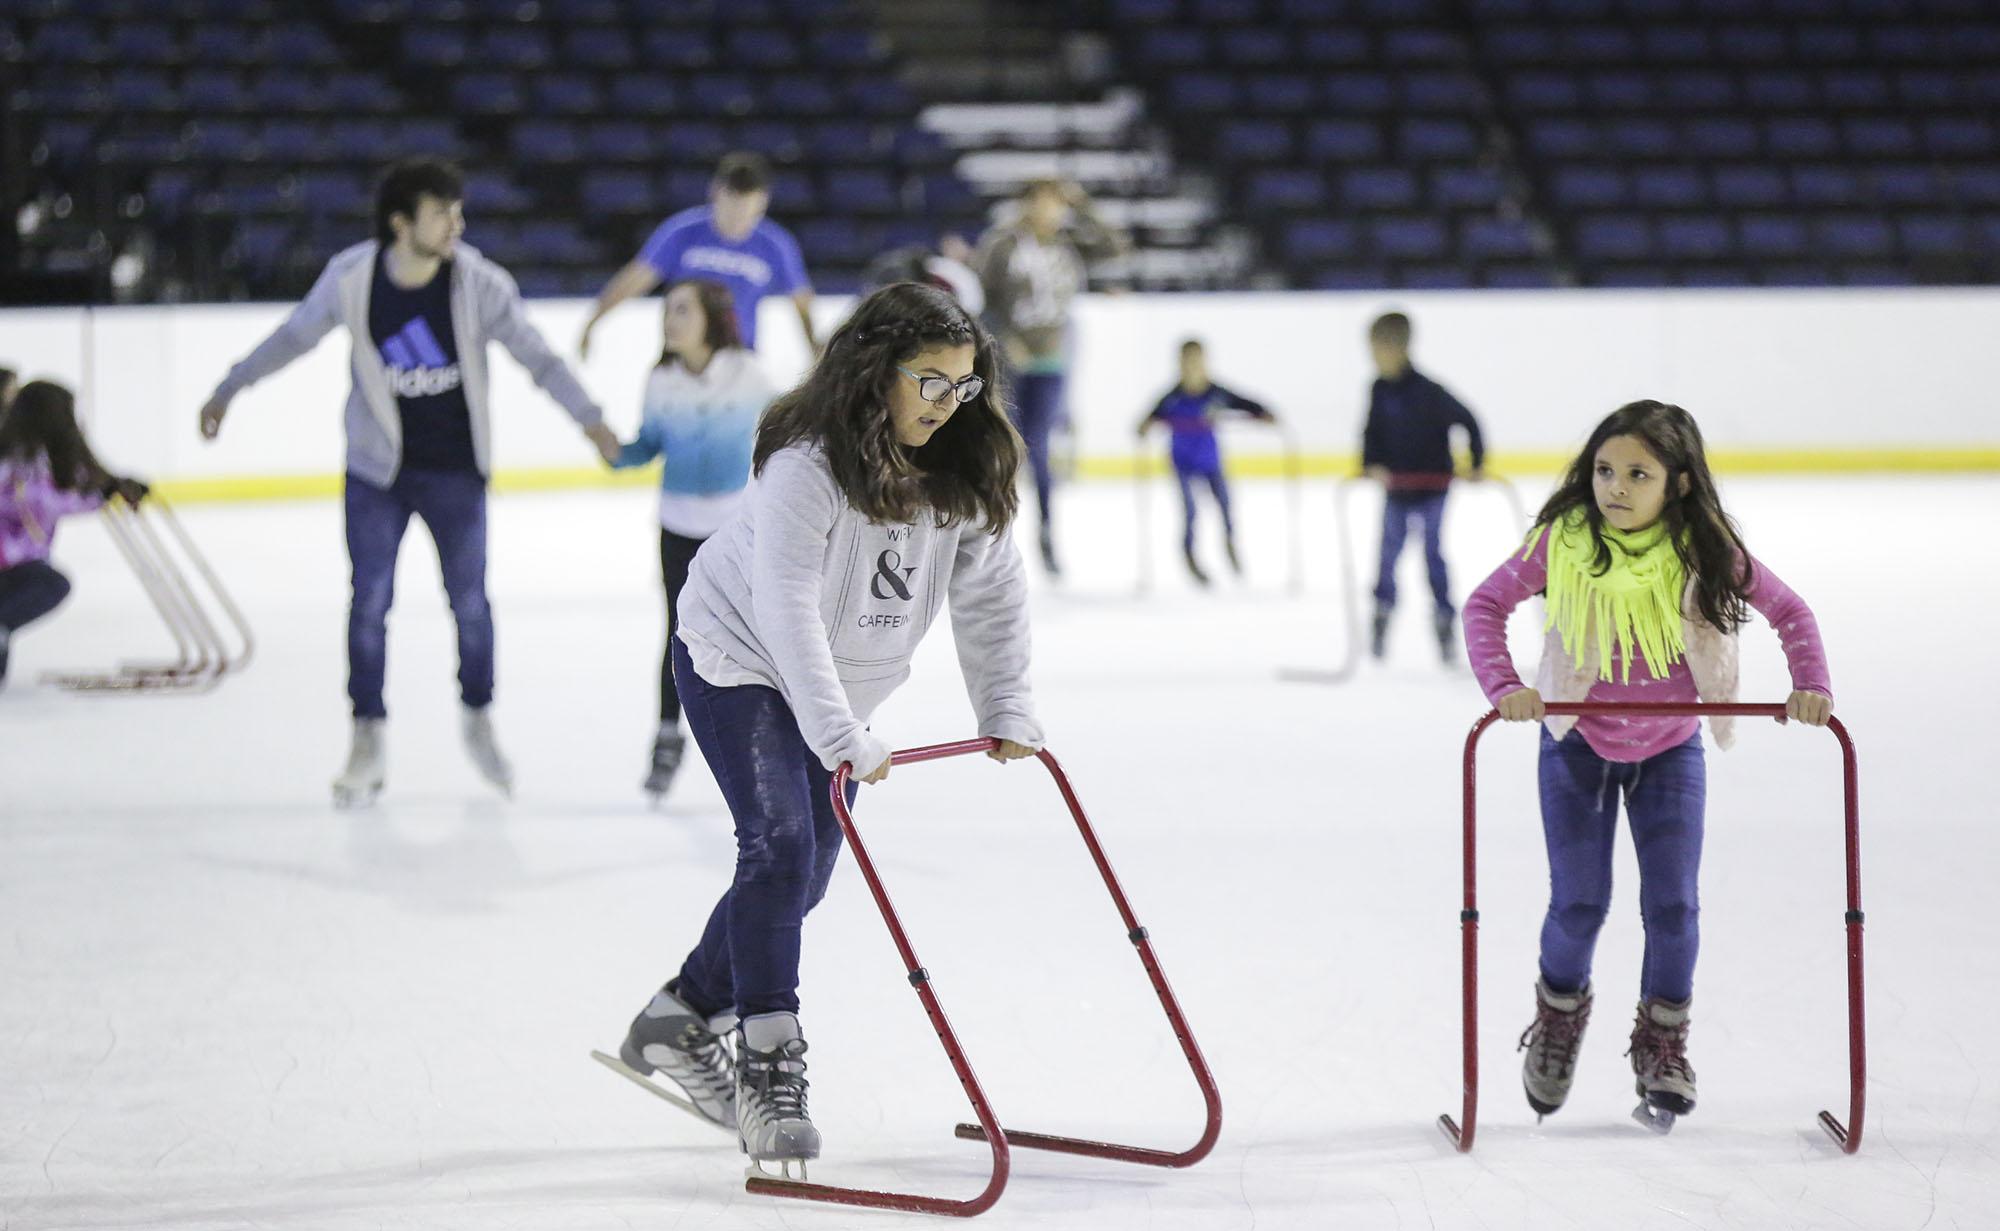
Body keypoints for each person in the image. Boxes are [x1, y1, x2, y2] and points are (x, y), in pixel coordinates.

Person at [605, 283, 1042, 1174]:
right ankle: (769, 1063)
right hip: (741, 654)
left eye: (963, 385)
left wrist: (1005, 703)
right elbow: (786, 607)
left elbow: (991, 590)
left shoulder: (958, 466)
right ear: (877, 372)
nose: (946, 402)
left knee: (801, 880)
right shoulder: (809, 462)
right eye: (929, 380)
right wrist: (840, 732)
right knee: (776, 844)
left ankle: (679, 1017)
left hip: (837, 685)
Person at [197, 158, 619, 808]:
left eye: (458, 210)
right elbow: (293, 337)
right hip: (377, 473)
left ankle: (477, 716)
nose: (458, 222)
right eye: (442, 212)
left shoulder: (479, 282)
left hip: (456, 473)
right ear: (401, 223)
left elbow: (538, 355)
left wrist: (589, 419)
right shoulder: (352, 278)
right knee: (368, 604)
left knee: (471, 606)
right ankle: (367, 736)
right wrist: (231, 385)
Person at [1461, 400, 1834, 1126]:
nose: (1616, 488)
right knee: (1579, 902)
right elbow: (1483, 606)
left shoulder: (1706, 548)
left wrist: (1811, 682)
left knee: (1674, 906)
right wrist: (1505, 687)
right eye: (1605, 470)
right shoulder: (1561, 542)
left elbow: (1791, 612)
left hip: (1670, 751)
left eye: (1638, 473)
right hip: (1576, 747)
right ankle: (1560, 1015)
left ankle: (1663, 1043)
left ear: (1680, 484)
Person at [606, 279, 776, 800]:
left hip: (737, 532)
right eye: (667, 311)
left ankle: (769, 742)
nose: (669, 320)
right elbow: (649, 445)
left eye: (682, 311)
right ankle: (666, 737)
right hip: (678, 529)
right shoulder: (660, 379)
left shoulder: (748, 374)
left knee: (757, 635)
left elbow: (785, 435)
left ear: (711, 317)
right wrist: (615, 451)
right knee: (679, 635)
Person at [974, 178, 1127, 576]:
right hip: (1009, 360)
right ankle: (987, 534)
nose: (1050, 211)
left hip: (1051, 358)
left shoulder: (1067, 243)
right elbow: (984, 301)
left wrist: (1085, 203)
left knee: (1040, 445)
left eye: (1057, 204)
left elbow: (1115, 245)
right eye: (1043, 202)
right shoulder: (1004, 244)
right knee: (1001, 446)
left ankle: (1046, 531)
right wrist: (1007, 343)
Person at [579, 152, 817, 358]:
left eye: (746, 208)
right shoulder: (683, 233)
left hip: (738, 359)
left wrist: (814, 347)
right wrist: (594, 321)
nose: (737, 215)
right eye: (732, 203)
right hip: (681, 357)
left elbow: (801, 301)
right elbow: (635, 279)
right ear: (715, 192)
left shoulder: (775, 245)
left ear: (762, 202)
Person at [0, 380, 148, 686]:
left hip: (15, 564)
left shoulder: (31, 456)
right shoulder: (17, 462)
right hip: (11, 565)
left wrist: (111, 486)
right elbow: (41, 499)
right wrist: (102, 493)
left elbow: (60, 490)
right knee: (50, 584)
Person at [1359, 311, 1486, 663]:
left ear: (1397, 347)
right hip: (1397, 490)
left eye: (1377, 348)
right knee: (1387, 555)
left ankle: (1444, 621)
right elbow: (1371, 431)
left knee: (1432, 554)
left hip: (1433, 489)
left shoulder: (1430, 392)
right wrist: (1370, 463)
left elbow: (1469, 420)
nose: (1372, 356)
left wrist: (1475, 463)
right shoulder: (1378, 389)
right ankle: (1381, 616)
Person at [1135, 339, 1278, 585]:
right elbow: (1148, 418)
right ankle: (1189, 554)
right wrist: (1146, 425)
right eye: (1187, 362)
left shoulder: (1216, 394)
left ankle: (1230, 543)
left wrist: (1263, 413)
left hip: (1210, 461)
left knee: (1224, 505)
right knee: (1190, 511)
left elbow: (1246, 403)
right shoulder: (1172, 397)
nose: (1192, 368)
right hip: (1182, 462)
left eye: (1196, 362)